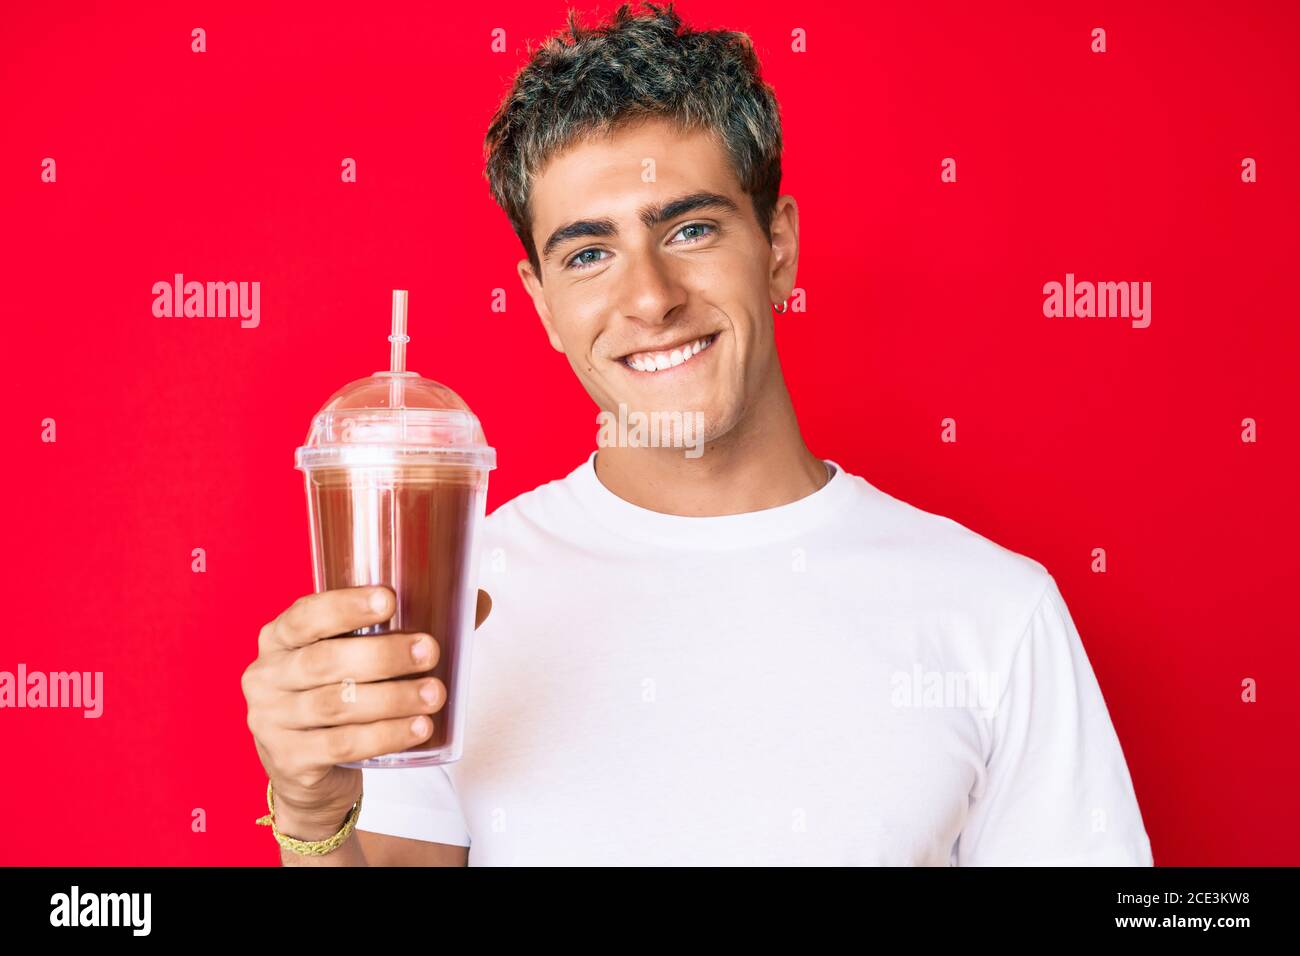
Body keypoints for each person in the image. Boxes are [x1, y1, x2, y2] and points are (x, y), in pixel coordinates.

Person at [242, 1, 1153, 866]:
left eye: (690, 228)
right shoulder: (454, 604)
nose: (650, 297)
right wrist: (311, 816)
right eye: (589, 253)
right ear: (543, 306)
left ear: (779, 246)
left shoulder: (995, 612)